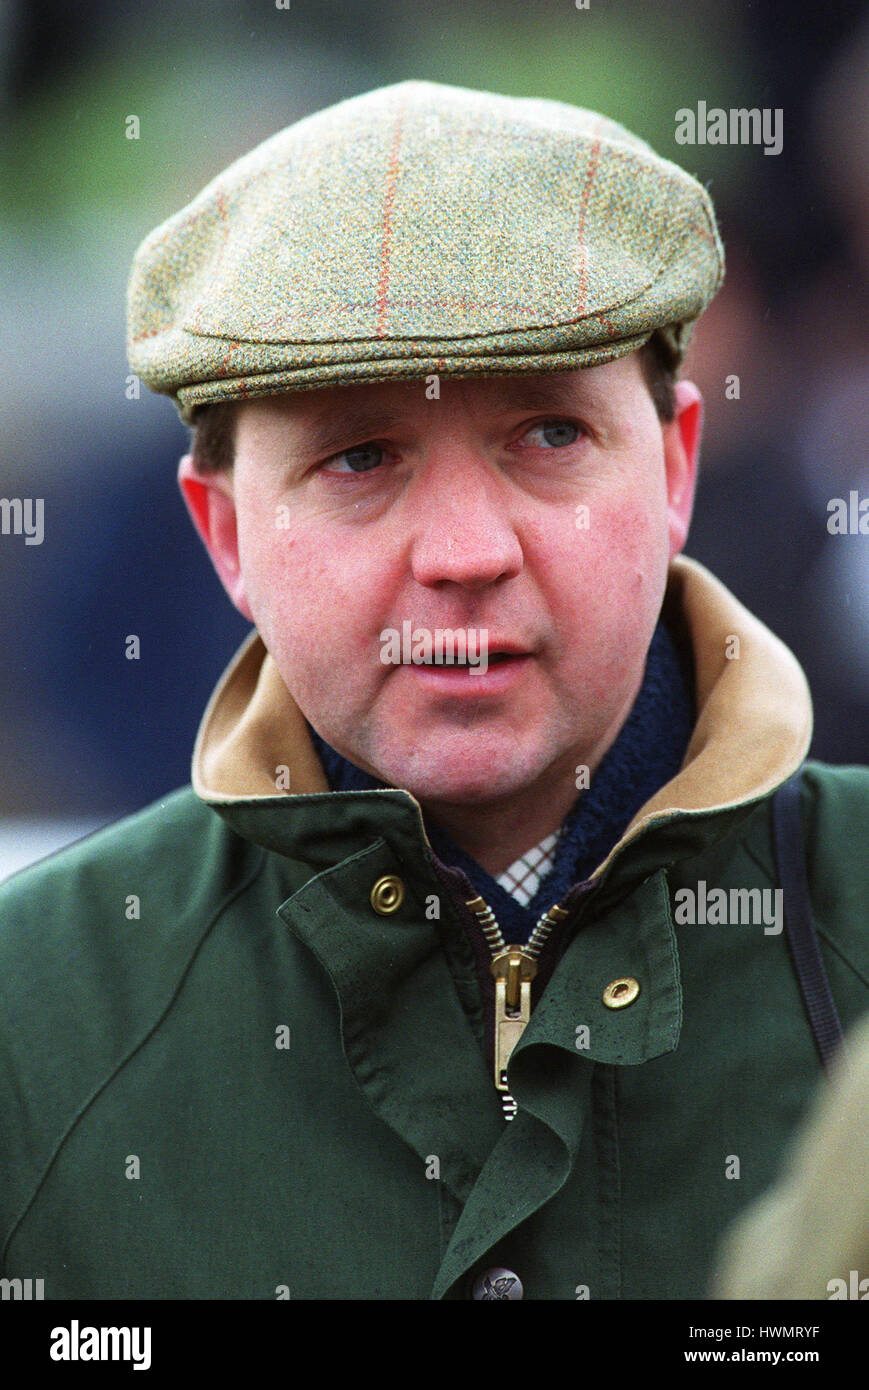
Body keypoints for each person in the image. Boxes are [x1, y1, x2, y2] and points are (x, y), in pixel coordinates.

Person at [0, 79, 866, 1301]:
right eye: (359, 457)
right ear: (225, 535)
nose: (465, 550)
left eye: (548, 434)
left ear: (674, 469)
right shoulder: (33, 1028)